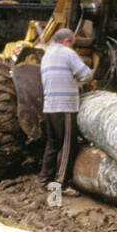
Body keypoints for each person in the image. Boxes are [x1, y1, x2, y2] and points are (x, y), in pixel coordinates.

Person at [39, 27, 93, 186]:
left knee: (53, 145)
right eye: (73, 44)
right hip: (65, 106)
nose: (73, 48)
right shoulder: (68, 53)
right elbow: (87, 75)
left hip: (49, 106)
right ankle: (60, 184)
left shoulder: (46, 55)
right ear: (66, 41)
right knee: (68, 147)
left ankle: (44, 179)